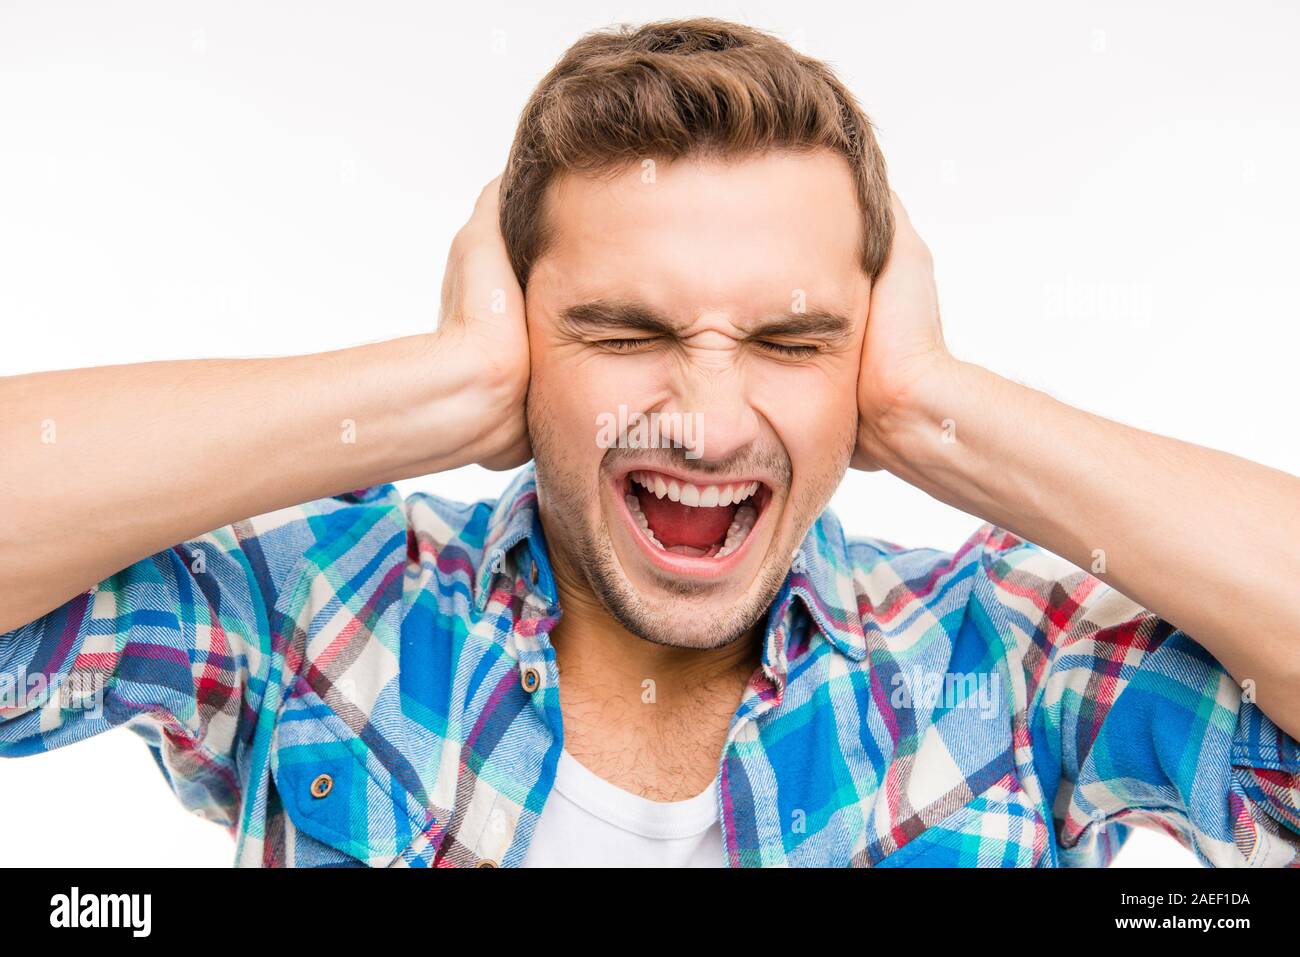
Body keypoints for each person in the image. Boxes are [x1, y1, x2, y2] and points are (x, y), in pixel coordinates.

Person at [2, 18, 1297, 868]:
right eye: (622, 330)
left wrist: (928, 403)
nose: (706, 415)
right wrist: (441, 387)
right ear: (521, 336)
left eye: (793, 342)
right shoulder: (329, 610)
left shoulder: (1010, 667)